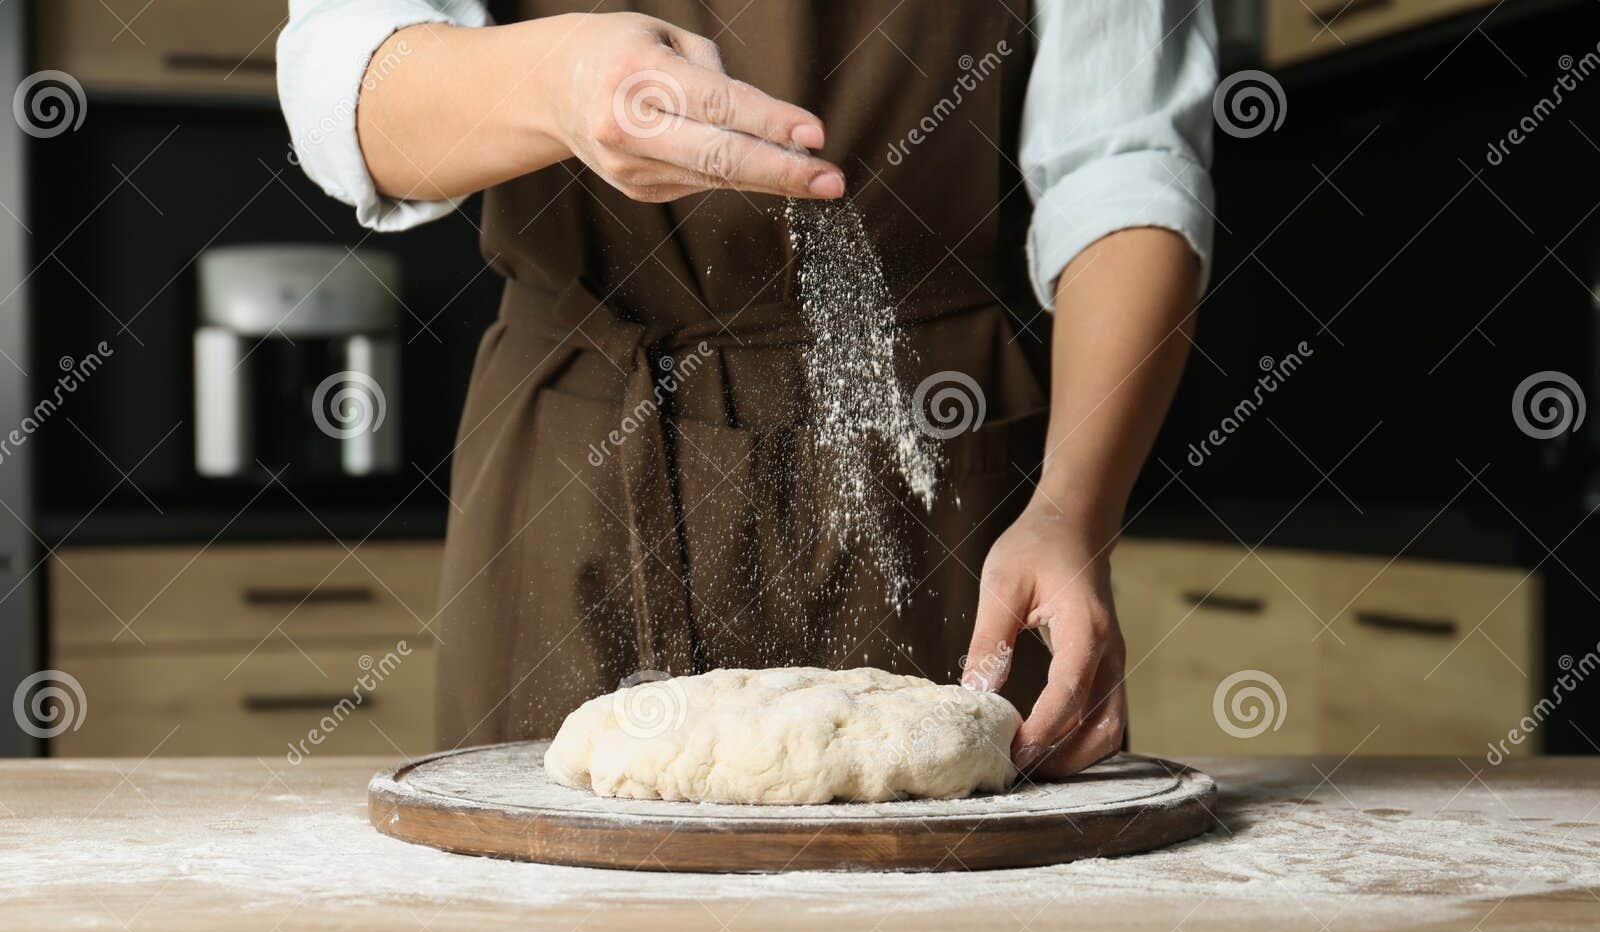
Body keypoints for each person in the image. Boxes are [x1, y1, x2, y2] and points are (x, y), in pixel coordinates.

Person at [278, 0, 1217, 776]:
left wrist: (1072, 510)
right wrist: (557, 81)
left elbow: (1125, 163)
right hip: (578, 467)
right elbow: (343, 89)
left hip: (940, 471)